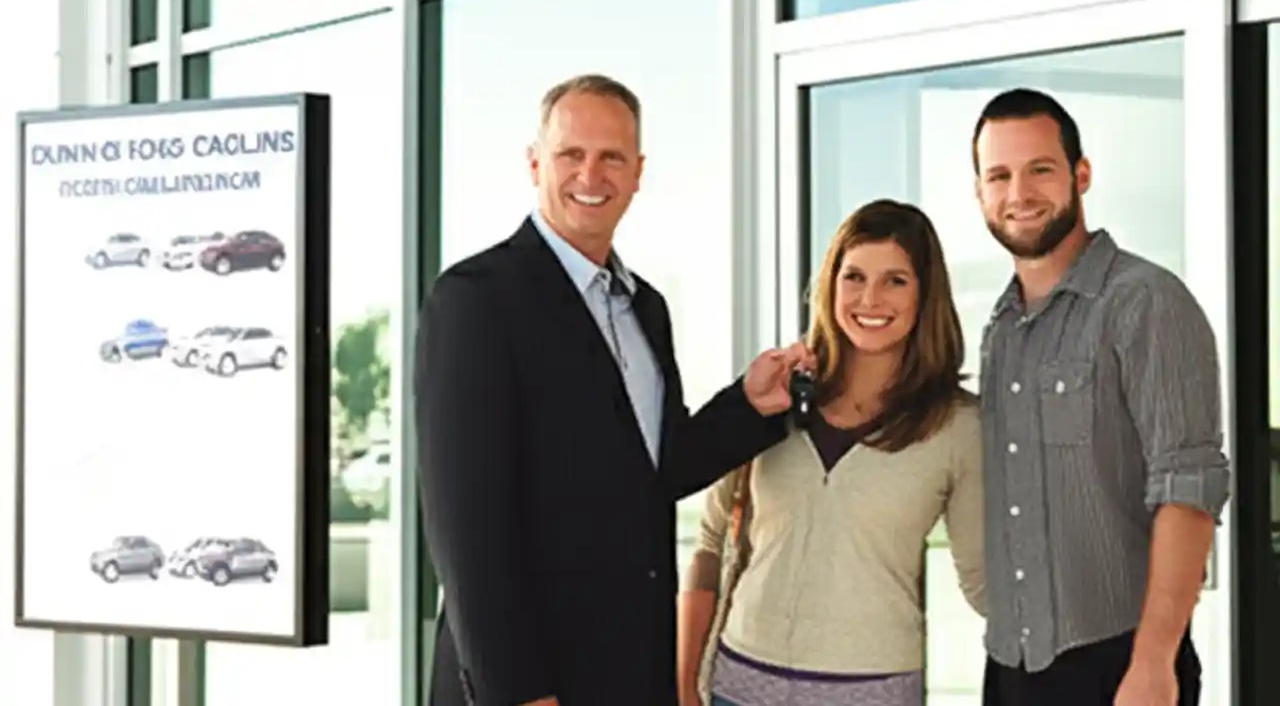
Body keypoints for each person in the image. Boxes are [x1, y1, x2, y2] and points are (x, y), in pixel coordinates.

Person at [415, 73, 815, 706]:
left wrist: (750, 403)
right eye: (571, 154)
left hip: (629, 672)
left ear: (637, 172)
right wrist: (520, 692)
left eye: (612, 157)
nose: (591, 175)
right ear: (535, 163)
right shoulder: (476, 300)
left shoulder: (644, 307)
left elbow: (656, 468)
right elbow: (466, 530)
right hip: (530, 682)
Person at [971, 87, 1230, 706]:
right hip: (1010, 667)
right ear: (979, 192)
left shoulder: (1145, 302)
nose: (1019, 193)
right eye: (999, 176)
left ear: (1080, 174)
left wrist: (1154, 663)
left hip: (1121, 665)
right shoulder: (1000, 329)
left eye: (1040, 169)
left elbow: (1188, 491)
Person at [677, 198, 987, 706]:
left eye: (895, 280)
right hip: (739, 688)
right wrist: (685, 685)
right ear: (830, 285)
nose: (870, 298)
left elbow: (983, 583)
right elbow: (711, 544)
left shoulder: (958, 426)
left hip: (874, 692)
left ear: (925, 294)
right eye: (854, 277)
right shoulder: (775, 391)